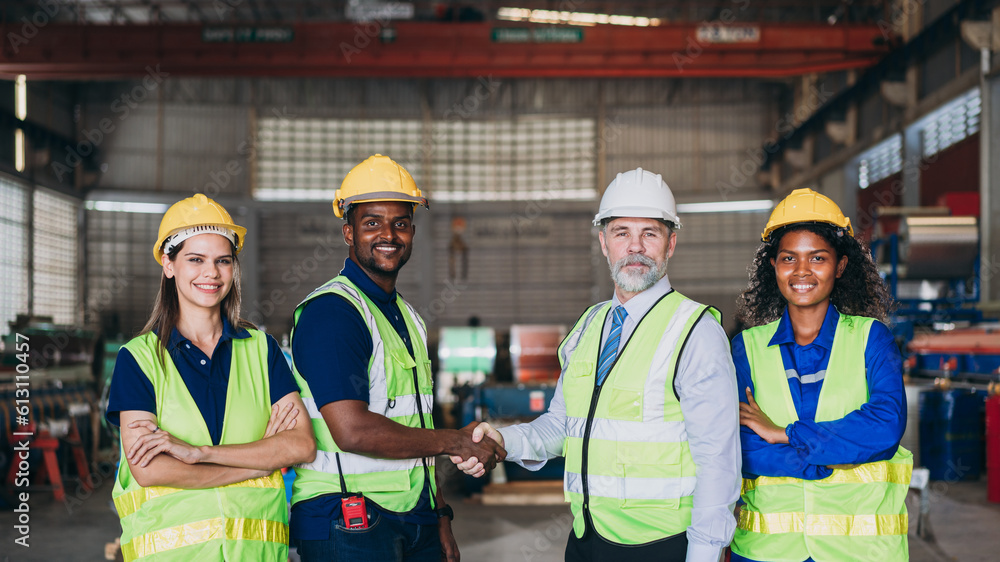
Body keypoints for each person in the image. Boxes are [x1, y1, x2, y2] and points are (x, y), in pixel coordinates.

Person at [455, 168, 742, 562]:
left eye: (650, 233)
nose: (635, 247)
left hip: (662, 547)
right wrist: (505, 440)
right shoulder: (589, 326)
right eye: (622, 232)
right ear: (604, 242)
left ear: (671, 243)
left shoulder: (695, 331)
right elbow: (562, 424)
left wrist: (706, 553)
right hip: (587, 539)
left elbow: (718, 459)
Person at [288, 154, 506, 562]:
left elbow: (418, 424)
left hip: (414, 516)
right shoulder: (333, 312)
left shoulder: (408, 317)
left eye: (400, 223)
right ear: (348, 232)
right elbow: (352, 430)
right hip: (346, 518)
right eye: (372, 222)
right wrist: (456, 441)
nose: (388, 234)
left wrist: (440, 514)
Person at [107, 193, 317, 561]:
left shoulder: (261, 350)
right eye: (195, 260)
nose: (212, 273)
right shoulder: (139, 360)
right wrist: (259, 461)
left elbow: (301, 446)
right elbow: (150, 469)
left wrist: (199, 454)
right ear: (168, 265)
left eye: (223, 260)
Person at [730, 188, 911, 562]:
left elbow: (885, 427)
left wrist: (785, 434)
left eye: (817, 258)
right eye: (788, 258)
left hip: (859, 552)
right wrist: (823, 460)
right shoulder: (745, 347)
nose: (801, 271)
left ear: (840, 266)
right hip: (767, 551)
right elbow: (738, 446)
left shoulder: (870, 338)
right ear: (774, 267)